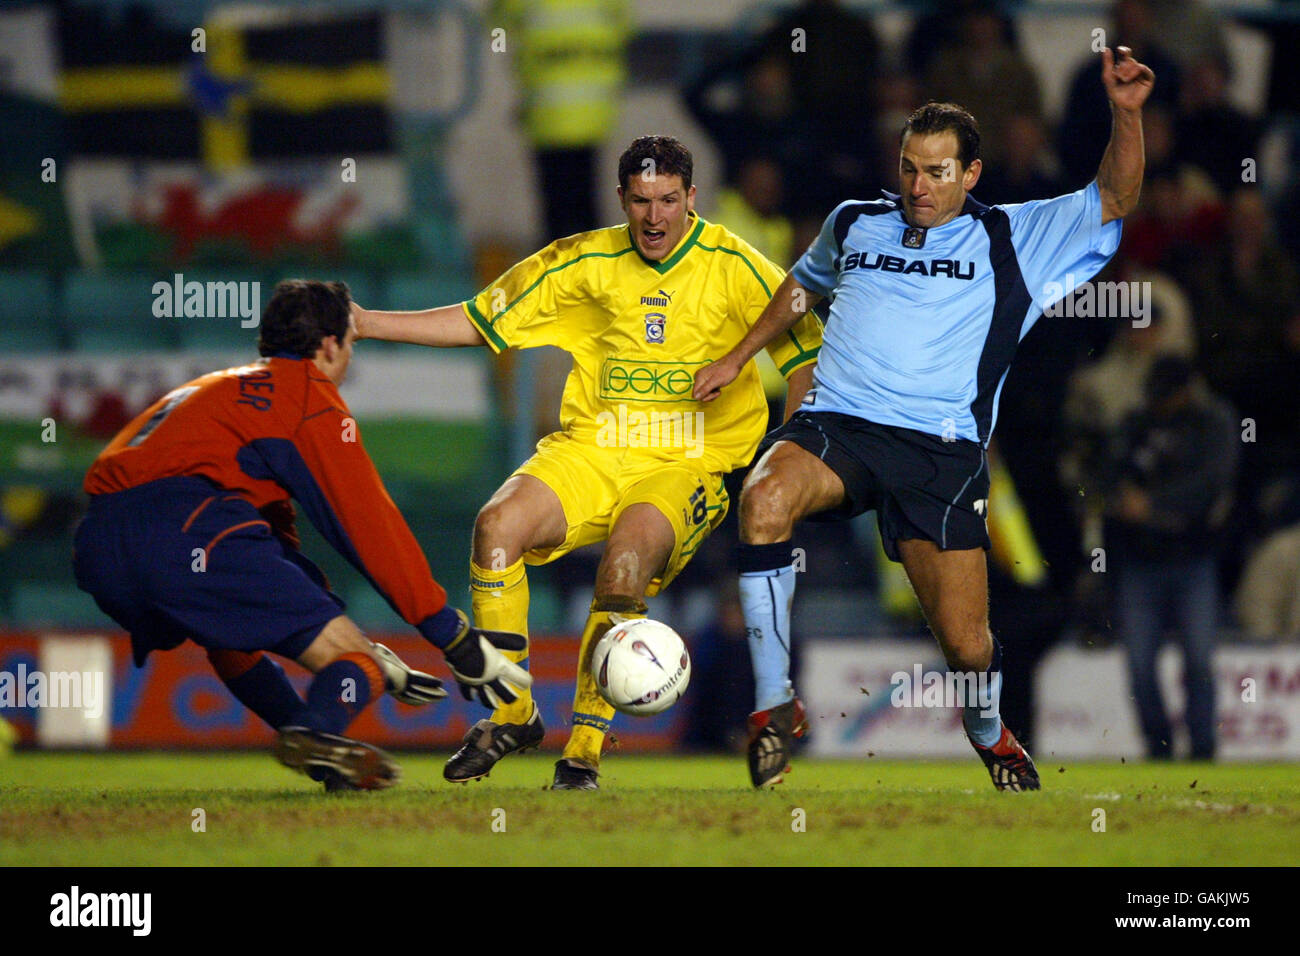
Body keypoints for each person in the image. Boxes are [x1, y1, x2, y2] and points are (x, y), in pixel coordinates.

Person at [693, 47, 1155, 790]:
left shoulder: (1014, 236)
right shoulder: (853, 222)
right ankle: (774, 704)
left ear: (970, 174)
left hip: (939, 454)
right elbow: (799, 290)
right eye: (910, 167)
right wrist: (737, 357)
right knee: (762, 497)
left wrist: (1126, 114)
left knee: (970, 649)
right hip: (838, 426)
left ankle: (988, 731)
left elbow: (1115, 196)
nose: (919, 185)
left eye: (936, 171)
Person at [353, 136, 822, 790]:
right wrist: (365, 321)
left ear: (691, 197)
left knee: (624, 563)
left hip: (687, 465)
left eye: (668, 201)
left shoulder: (737, 268)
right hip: (591, 451)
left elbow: (804, 357)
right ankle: (512, 715)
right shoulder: (581, 262)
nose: (654, 217)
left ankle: (581, 755)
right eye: (641, 202)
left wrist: (789, 460)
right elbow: (478, 321)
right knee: (496, 529)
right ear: (621, 200)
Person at [73, 280, 530, 790]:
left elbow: (272, 548)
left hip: (99, 545)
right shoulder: (307, 397)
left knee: (229, 636)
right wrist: (452, 637)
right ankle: (318, 728)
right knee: (358, 665)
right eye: (351, 344)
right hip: (189, 527)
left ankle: (313, 741)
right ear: (332, 344)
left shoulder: (212, 389)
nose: (349, 356)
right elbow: (368, 527)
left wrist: (328, 619)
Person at [1103, 355, 1238, 759]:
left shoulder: (1213, 422)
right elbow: (1107, 475)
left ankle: (1202, 748)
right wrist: (1119, 496)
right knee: (1140, 663)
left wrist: (1153, 505)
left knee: (1198, 658)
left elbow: (1213, 484)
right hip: (1139, 560)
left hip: (1194, 558)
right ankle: (1157, 747)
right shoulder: (1134, 424)